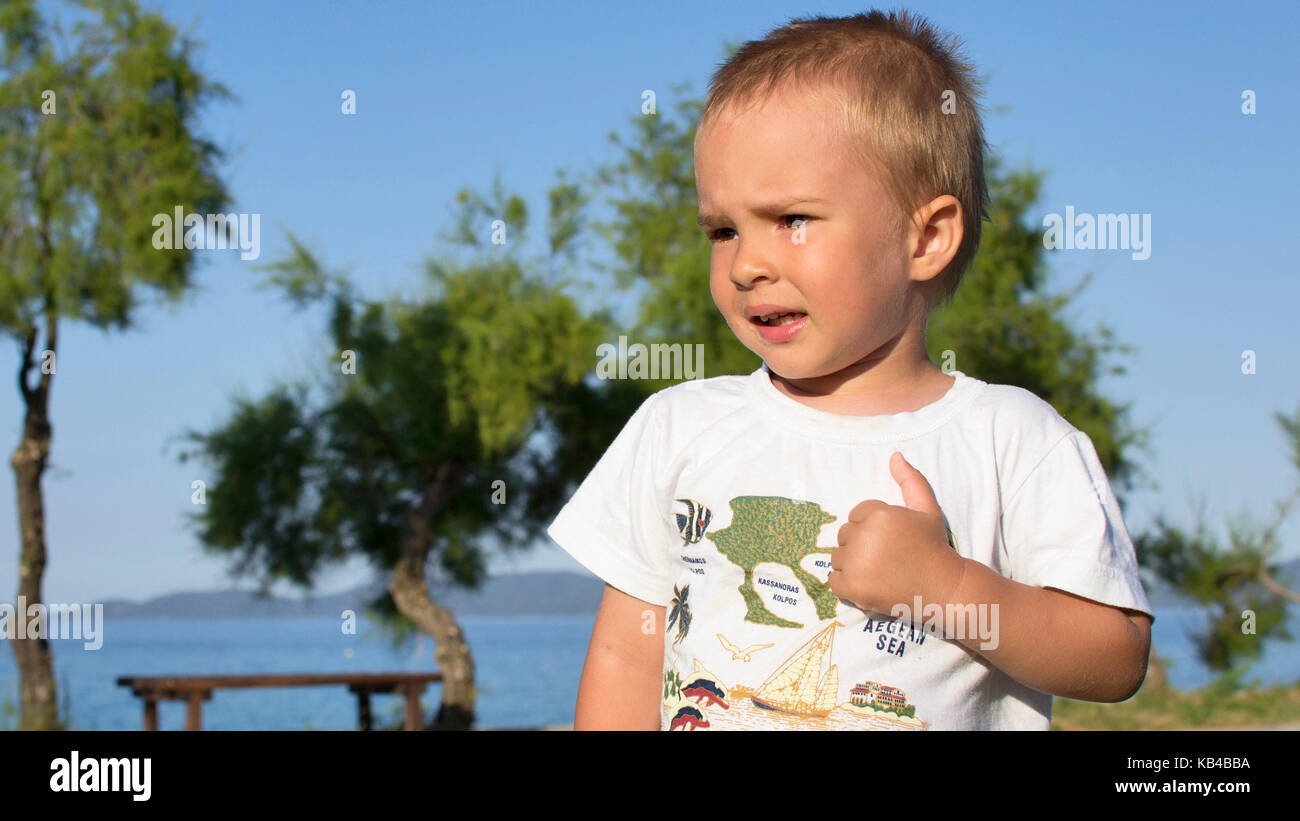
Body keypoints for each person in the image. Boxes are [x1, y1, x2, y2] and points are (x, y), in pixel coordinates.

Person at [547, 9, 1153, 730]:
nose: (747, 263)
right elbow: (627, 654)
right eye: (724, 229)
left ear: (924, 238)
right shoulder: (678, 427)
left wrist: (946, 585)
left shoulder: (1012, 440)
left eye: (792, 219)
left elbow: (1114, 658)